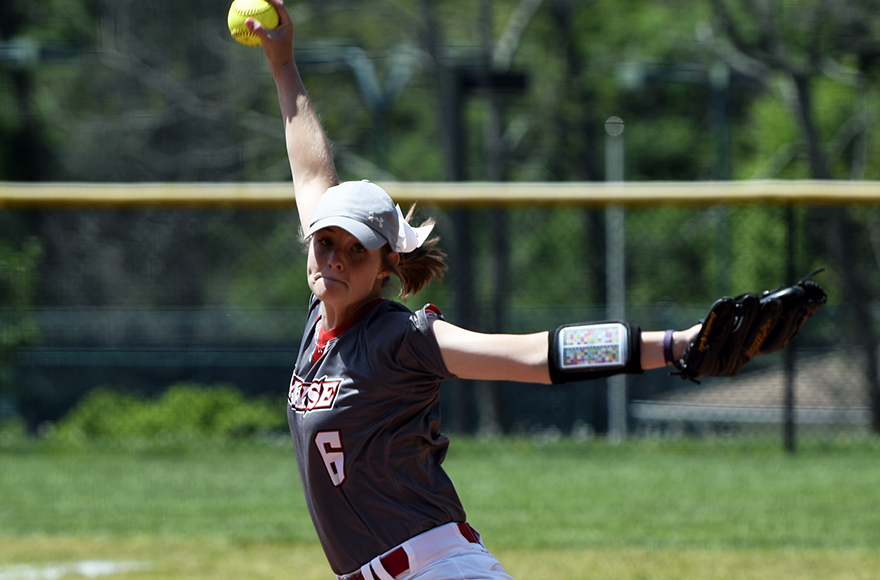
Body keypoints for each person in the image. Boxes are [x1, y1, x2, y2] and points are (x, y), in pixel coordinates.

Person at [248, 2, 702, 578]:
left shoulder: (401, 338)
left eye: (355, 249)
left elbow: (533, 356)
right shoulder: (322, 315)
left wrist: (674, 345)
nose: (335, 258)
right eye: (324, 243)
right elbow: (313, 172)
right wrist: (283, 65)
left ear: (386, 266)